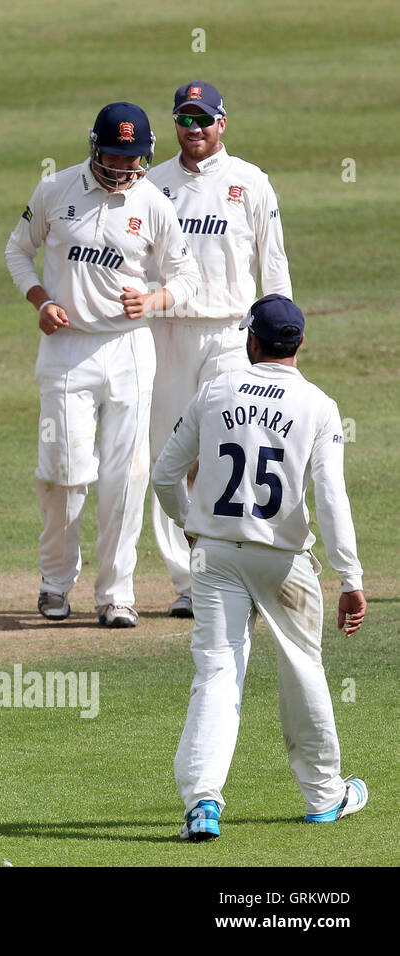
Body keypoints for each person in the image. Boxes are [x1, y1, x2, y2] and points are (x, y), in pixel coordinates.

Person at [152, 294, 367, 841]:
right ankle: (324, 796)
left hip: (215, 555)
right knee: (302, 667)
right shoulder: (319, 404)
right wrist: (351, 579)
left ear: (251, 340)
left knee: (218, 674)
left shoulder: (215, 391)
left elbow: (163, 476)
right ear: (300, 344)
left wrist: (189, 524)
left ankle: (203, 801)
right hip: (285, 561)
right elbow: (333, 498)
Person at [5, 102, 200, 627]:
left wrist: (155, 302)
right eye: (113, 157)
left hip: (131, 348)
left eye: (132, 159)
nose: (123, 169)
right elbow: (17, 251)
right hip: (67, 348)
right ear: (94, 149)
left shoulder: (154, 202)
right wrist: (41, 299)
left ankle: (116, 593)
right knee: (63, 472)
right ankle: (54, 582)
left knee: (128, 476)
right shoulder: (56, 190)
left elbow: (186, 276)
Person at [146, 81, 293, 619]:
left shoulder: (250, 182)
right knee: (168, 455)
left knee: (234, 448)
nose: (194, 129)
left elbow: (273, 266)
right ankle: (189, 582)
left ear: (222, 123)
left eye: (203, 119)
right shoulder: (154, 183)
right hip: (168, 331)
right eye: (185, 119)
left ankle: (242, 571)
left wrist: (279, 339)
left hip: (233, 331)